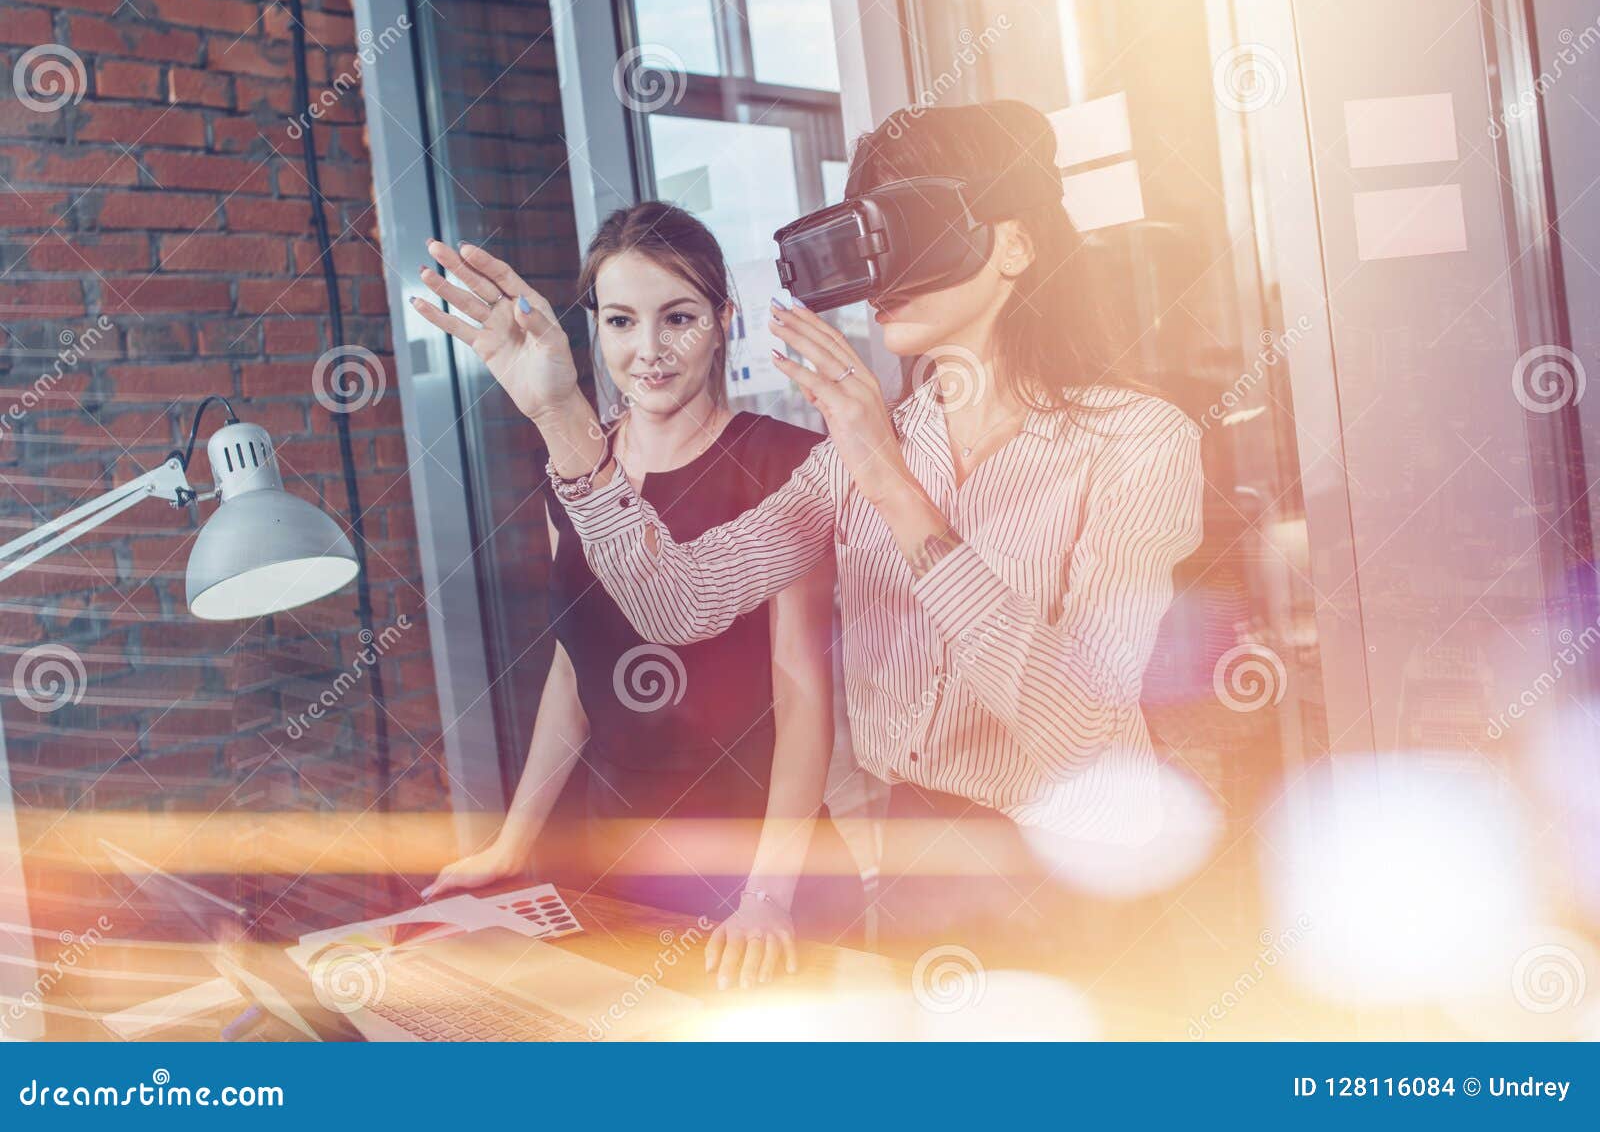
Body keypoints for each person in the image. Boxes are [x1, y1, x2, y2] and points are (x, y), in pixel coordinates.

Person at [412, 101, 1204, 980]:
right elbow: (680, 602)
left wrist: (895, 490)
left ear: (1012, 245)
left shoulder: (1136, 441)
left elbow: (1086, 734)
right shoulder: (863, 449)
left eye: (915, 229)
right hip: (916, 867)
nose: (885, 275)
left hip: (1086, 877)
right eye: (872, 242)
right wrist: (561, 414)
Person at [417, 201, 847, 990]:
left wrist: (766, 897)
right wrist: (515, 841)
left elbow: (803, 692)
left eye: (677, 318)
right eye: (620, 321)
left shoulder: (790, 463)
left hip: (762, 865)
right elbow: (576, 667)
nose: (647, 351)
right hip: (617, 854)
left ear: (722, 319)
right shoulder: (580, 472)